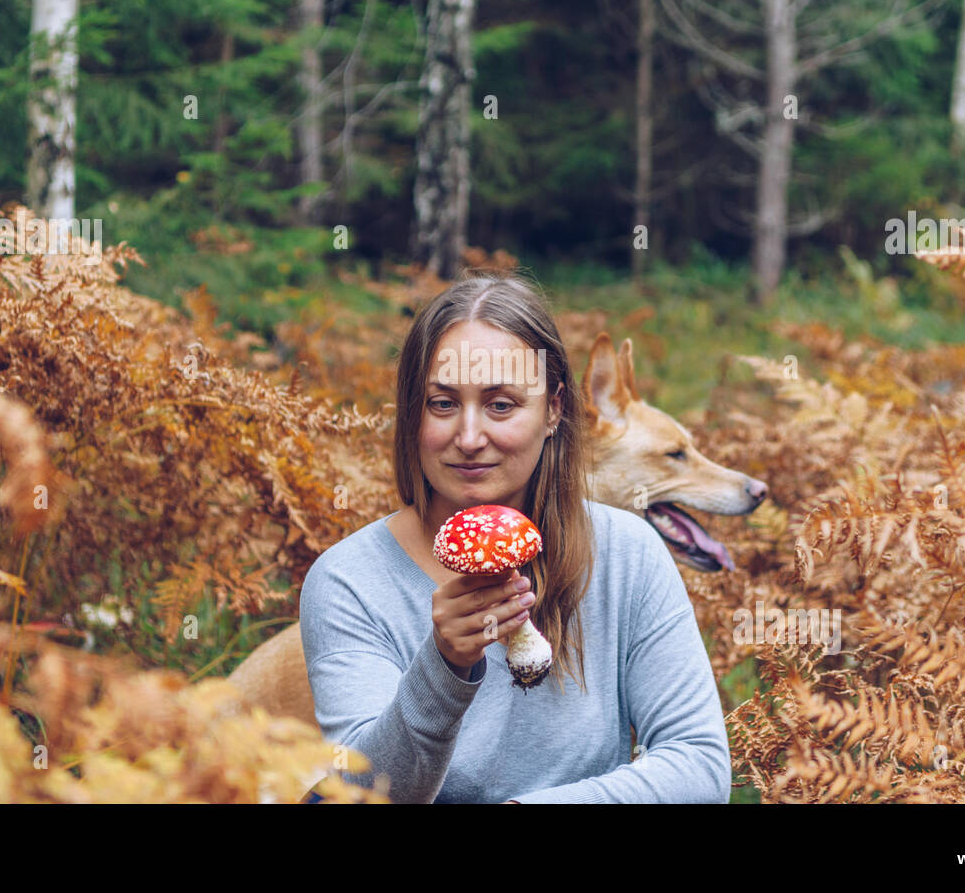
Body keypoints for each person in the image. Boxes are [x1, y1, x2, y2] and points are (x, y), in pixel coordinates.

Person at [298, 268, 731, 802]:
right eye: (443, 403)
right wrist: (443, 665)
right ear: (413, 414)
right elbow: (360, 794)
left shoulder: (627, 554)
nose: (470, 437)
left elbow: (698, 766)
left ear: (553, 410)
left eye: (501, 404)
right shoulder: (350, 581)